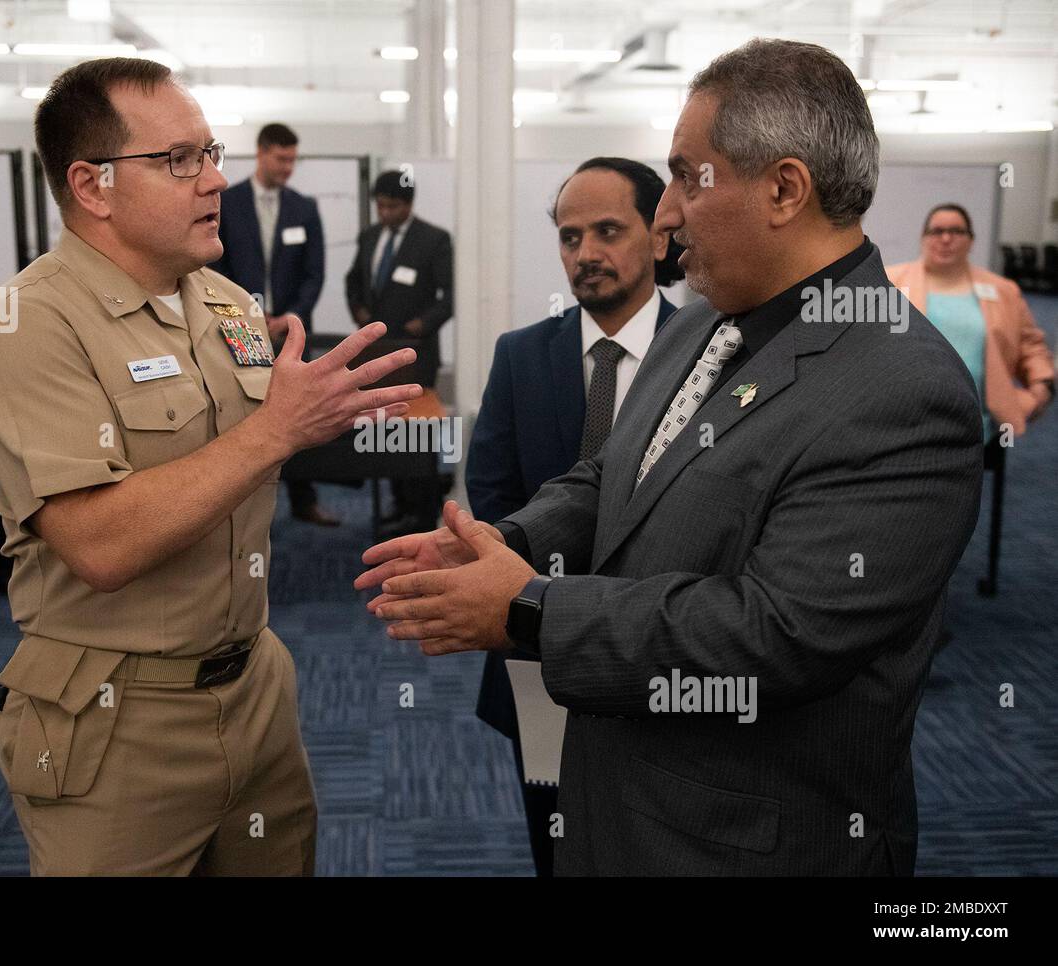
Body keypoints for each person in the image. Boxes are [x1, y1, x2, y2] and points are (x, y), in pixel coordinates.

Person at [357, 38, 984, 875]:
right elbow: (612, 475)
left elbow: (775, 636)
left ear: (784, 189)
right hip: (615, 803)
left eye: (691, 177)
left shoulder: (904, 389)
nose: (667, 216)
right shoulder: (701, 320)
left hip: (744, 845)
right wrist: (506, 546)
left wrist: (530, 610)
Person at [0, 58, 420, 876]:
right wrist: (278, 431)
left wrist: (314, 421)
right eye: (179, 160)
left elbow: (231, 458)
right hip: (118, 718)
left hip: (256, 687)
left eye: (211, 153)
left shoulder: (228, 304)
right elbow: (100, 544)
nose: (214, 180)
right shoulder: (22, 328)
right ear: (92, 187)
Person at [465, 156, 681, 876]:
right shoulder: (523, 355)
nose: (585, 254)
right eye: (569, 237)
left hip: (668, 645)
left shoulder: (716, 353)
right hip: (538, 645)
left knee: (662, 836)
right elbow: (493, 495)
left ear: (659, 236)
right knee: (555, 840)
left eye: (609, 230)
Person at [211, 122, 337, 526]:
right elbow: (215, 265)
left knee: (299, 412)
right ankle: (242, 504)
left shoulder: (304, 207)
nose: (288, 167)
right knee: (242, 412)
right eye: (282, 158)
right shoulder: (226, 203)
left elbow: (315, 273)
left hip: (291, 331)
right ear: (262, 152)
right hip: (238, 327)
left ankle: (304, 500)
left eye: (293, 160)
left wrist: (290, 317)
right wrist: (247, 313)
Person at [887, 203, 1054, 441]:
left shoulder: (1003, 291)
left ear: (971, 240)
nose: (946, 239)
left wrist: (1041, 386)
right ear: (924, 238)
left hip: (976, 423)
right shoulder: (890, 281)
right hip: (902, 416)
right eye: (936, 231)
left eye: (956, 231)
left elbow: (1031, 344)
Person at [346, 169, 454, 532]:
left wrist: (417, 329)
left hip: (415, 355)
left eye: (392, 206)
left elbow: (449, 297)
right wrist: (359, 312)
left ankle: (421, 511)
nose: (385, 213)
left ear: (408, 205)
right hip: (376, 352)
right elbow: (353, 281)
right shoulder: (370, 236)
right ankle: (398, 503)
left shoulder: (434, 240)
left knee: (416, 435)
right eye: (380, 206)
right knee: (385, 427)